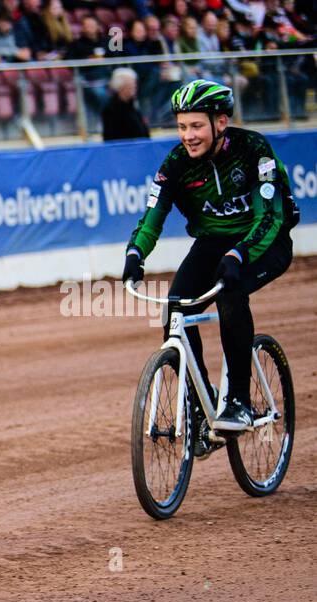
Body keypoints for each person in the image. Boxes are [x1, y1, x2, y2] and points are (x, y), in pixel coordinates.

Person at [122, 81, 299, 452]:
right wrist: (136, 253)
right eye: (182, 127)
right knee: (175, 307)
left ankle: (239, 400)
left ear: (220, 122)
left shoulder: (253, 150)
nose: (188, 135)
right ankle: (202, 405)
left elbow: (270, 217)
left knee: (230, 292)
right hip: (213, 243)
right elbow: (154, 214)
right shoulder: (175, 163)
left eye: (196, 126)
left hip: (264, 240)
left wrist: (239, 256)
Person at [102, 66, 150, 141]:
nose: (135, 87)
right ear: (121, 87)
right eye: (131, 84)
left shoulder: (133, 107)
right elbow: (111, 138)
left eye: (135, 84)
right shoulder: (111, 110)